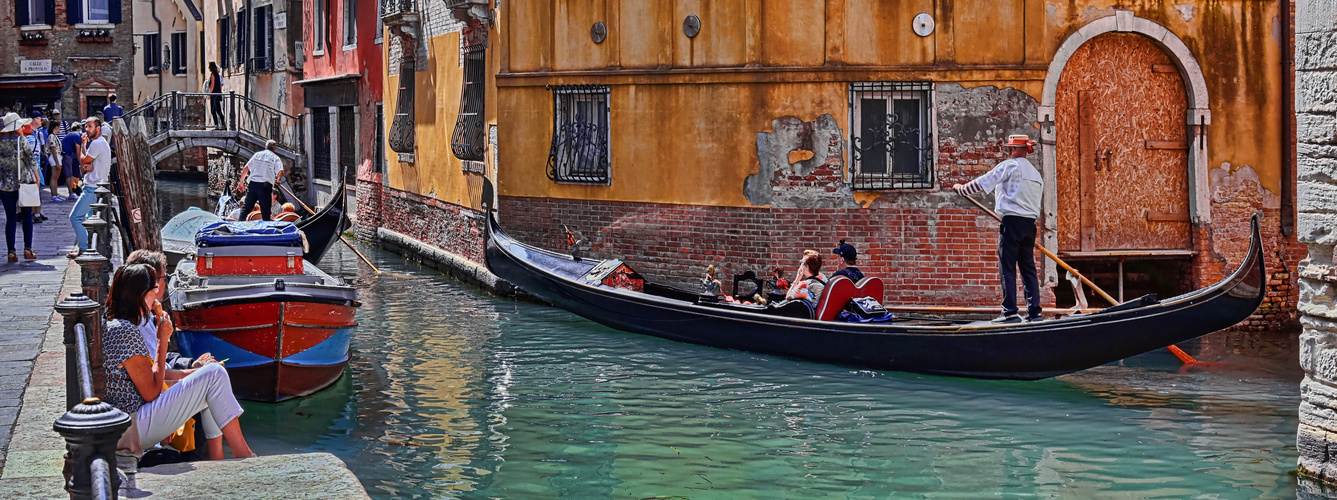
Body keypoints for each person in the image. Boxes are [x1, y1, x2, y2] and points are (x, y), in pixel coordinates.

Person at [100, 264, 254, 460]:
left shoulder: (119, 325)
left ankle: (219, 460)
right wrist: (162, 340)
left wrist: (192, 373)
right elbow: (150, 392)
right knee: (215, 375)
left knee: (212, 381)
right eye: (154, 288)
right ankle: (244, 456)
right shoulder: (124, 331)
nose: (157, 294)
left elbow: (149, 379)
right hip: (132, 425)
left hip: (133, 418)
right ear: (140, 294)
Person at [954, 134, 1044, 323]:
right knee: (1028, 268)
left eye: (1010, 148)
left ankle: (1009, 312)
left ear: (1014, 149)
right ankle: (1034, 312)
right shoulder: (1036, 174)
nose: (1009, 151)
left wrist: (961, 189)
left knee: (1007, 267)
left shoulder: (1009, 166)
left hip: (1012, 223)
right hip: (1030, 225)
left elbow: (982, 182)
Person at [124, 250, 217, 370]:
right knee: (216, 371)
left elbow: (161, 360)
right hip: (160, 380)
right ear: (153, 283)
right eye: (165, 278)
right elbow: (156, 374)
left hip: (164, 375)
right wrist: (163, 339)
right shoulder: (138, 322)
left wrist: (190, 365)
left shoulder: (147, 316)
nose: (163, 285)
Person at [70, 117, 111, 259]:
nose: (86, 130)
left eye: (90, 127)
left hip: (92, 188)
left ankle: (83, 248)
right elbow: (86, 164)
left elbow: (83, 160)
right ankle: (90, 246)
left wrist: (82, 146)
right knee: (89, 220)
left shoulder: (96, 143)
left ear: (98, 128)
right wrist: (87, 164)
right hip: (97, 187)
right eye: (86, 127)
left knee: (75, 217)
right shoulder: (100, 142)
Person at [0, 113, 37, 263]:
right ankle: (28, 249)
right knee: (27, 216)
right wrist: (37, 177)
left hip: (5, 185)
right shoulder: (22, 140)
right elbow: (31, 160)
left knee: (10, 218)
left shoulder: (0, 141)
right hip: (23, 182)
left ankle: (11, 252)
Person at [236, 140, 285, 222]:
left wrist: (241, 182)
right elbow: (280, 171)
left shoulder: (257, 155)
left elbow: (246, 168)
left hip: (253, 185)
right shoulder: (275, 158)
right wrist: (278, 179)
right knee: (265, 211)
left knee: (246, 208)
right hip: (265, 187)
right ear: (275, 149)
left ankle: (239, 224)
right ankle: (266, 228)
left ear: (265, 147)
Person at [24, 111, 48, 222]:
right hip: (31, 164)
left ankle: (36, 212)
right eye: (39, 118)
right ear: (34, 120)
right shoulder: (29, 134)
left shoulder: (38, 133)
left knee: (36, 189)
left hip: (36, 162)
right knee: (33, 188)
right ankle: (34, 213)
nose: (41, 121)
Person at [59, 121, 83, 200]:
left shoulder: (72, 135)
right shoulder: (77, 135)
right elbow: (78, 149)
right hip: (68, 155)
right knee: (70, 175)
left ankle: (74, 189)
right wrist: (82, 163)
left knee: (75, 175)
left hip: (72, 155)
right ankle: (71, 192)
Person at [44, 120, 63, 201]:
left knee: (56, 177)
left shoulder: (54, 136)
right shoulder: (51, 136)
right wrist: (57, 162)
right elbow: (53, 149)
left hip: (57, 156)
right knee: (54, 176)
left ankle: (56, 193)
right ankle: (53, 195)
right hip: (55, 156)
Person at [207, 62, 226, 129]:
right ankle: (223, 124)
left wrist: (209, 94)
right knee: (218, 110)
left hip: (214, 95)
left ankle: (217, 125)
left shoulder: (213, 74)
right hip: (217, 94)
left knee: (213, 110)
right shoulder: (217, 74)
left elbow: (212, 85)